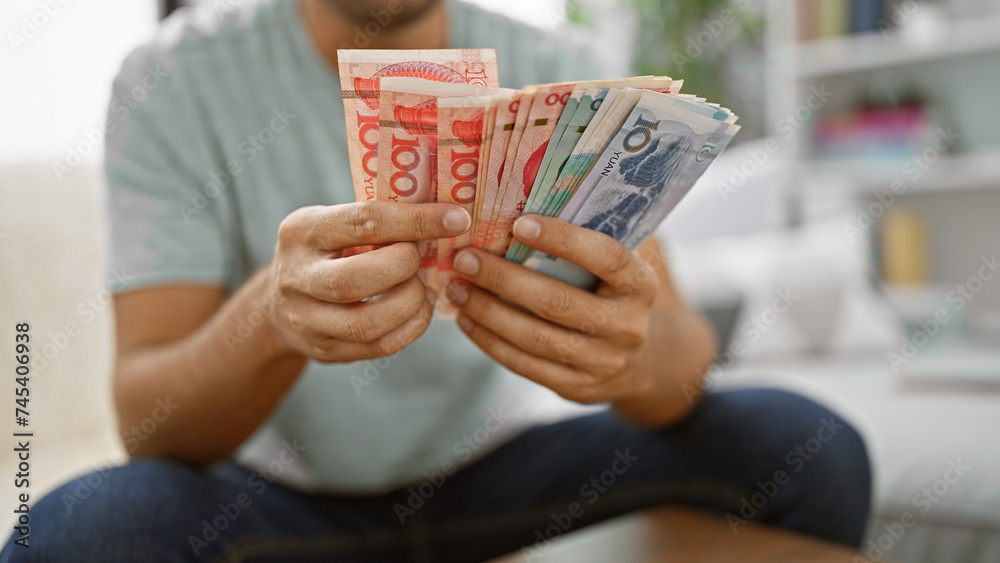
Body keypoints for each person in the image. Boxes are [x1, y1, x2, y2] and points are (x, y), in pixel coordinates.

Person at [1, 1, 872, 561]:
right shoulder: (172, 79)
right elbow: (149, 422)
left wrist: (636, 360)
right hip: (278, 505)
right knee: (76, 535)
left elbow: (678, 366)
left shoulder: (557, 61)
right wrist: (270, 315)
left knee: (810, 449)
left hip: (495, 472)